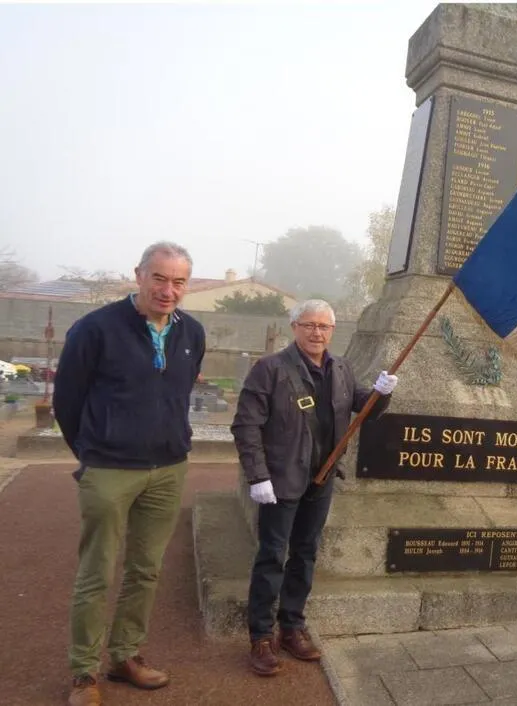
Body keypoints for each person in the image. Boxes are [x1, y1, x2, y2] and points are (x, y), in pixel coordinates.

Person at [54, 242, 205, 706]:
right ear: (138, 275)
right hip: (110, 469)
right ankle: (84, 672)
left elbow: (178, 394)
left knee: (146, 570)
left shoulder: (192, 332)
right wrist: (93, 451)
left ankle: (124, 655)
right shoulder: (95, 329)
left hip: (168, 470)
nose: (168, 290)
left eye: (178, 281)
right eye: (159, 278)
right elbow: (67, 400)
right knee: (96, 572)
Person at [231, 299, 398, 676]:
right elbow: (246, 426)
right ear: (294, 327)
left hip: (321, 479)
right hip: (280, 480)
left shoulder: (340, 368)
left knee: (305, 554)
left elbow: (362, 407)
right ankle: (260, 635)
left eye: (324, 326)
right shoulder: (270, 369)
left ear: (333, 331)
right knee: (272, 555)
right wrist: (258, 477)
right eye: (309, 325)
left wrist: (381, 393)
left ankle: (292, 626)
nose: (316, 332)